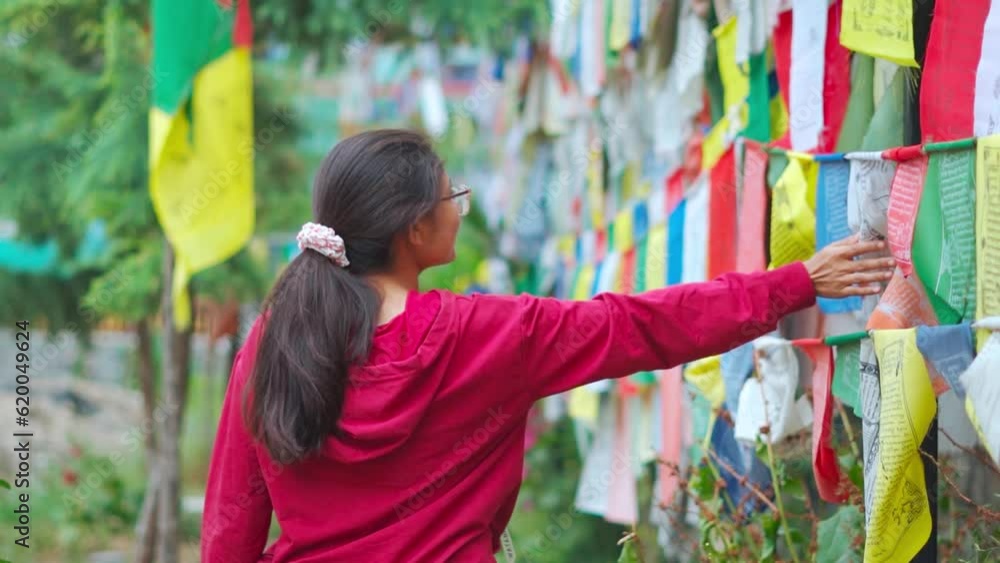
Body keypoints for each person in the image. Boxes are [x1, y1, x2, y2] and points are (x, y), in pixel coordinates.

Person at [201, 129, 894, 562]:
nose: (459, 208)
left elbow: (231, 525)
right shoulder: (488, 334)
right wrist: (796, 281)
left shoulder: (274, 340)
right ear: (414, 230)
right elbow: (643, 325)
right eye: (454, 199)